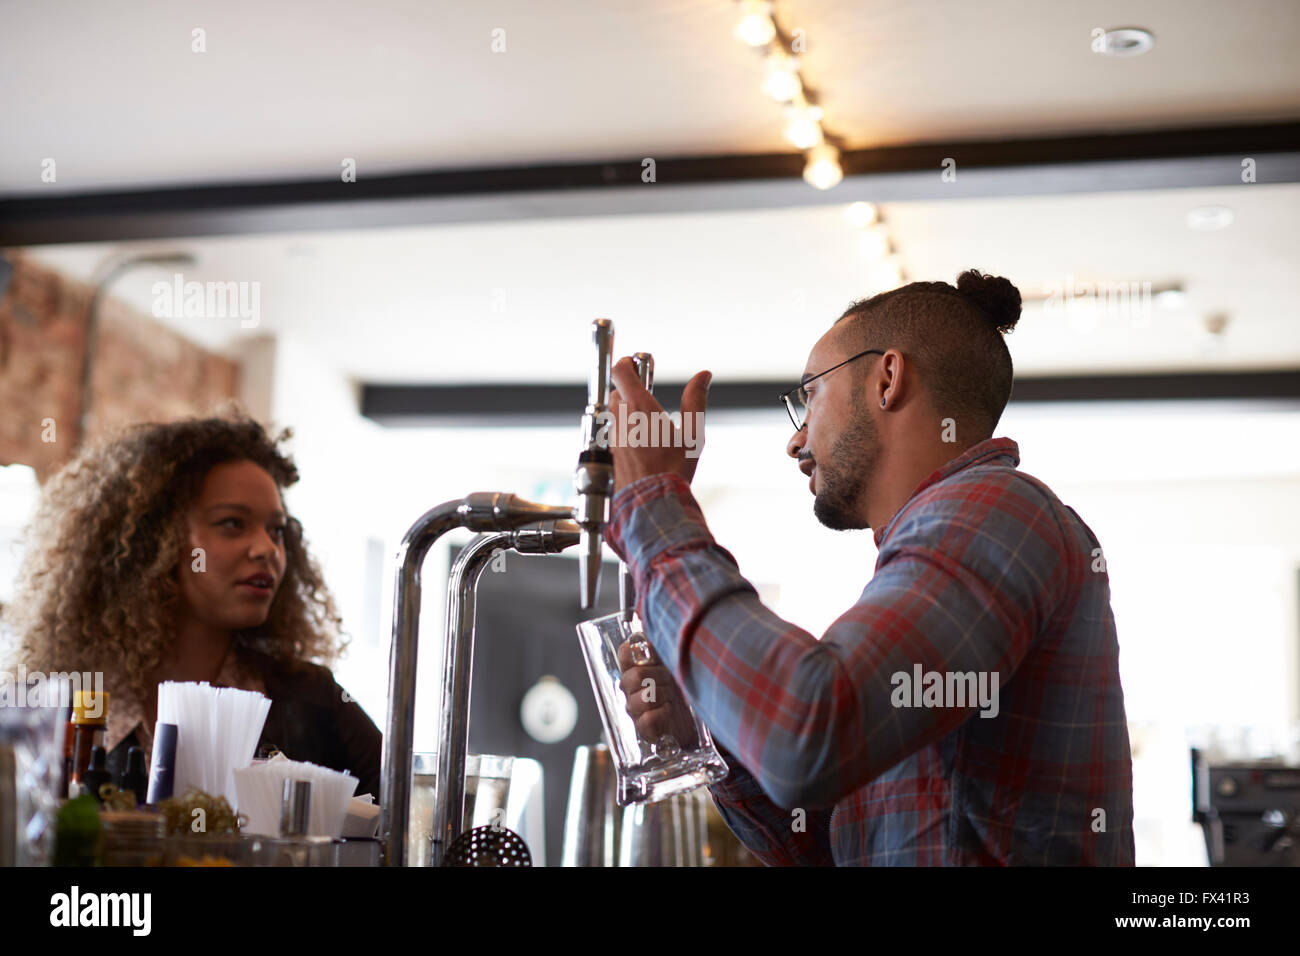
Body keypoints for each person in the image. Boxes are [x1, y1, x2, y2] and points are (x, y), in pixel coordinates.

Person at [604, 269, 1134, 865]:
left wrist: (654, 506)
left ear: (887, 378)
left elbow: (807, 736)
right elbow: (828, 840)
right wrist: (705, 719)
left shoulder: (992, 511)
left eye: (810, 393)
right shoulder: (935, 547)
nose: (797, 438)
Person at [4, 412, 382, 799]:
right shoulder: (52, 703)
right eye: (233, 523)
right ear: (156, 540)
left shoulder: (314, 701)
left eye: (277, 530)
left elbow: (407, 812)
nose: (268, 549)